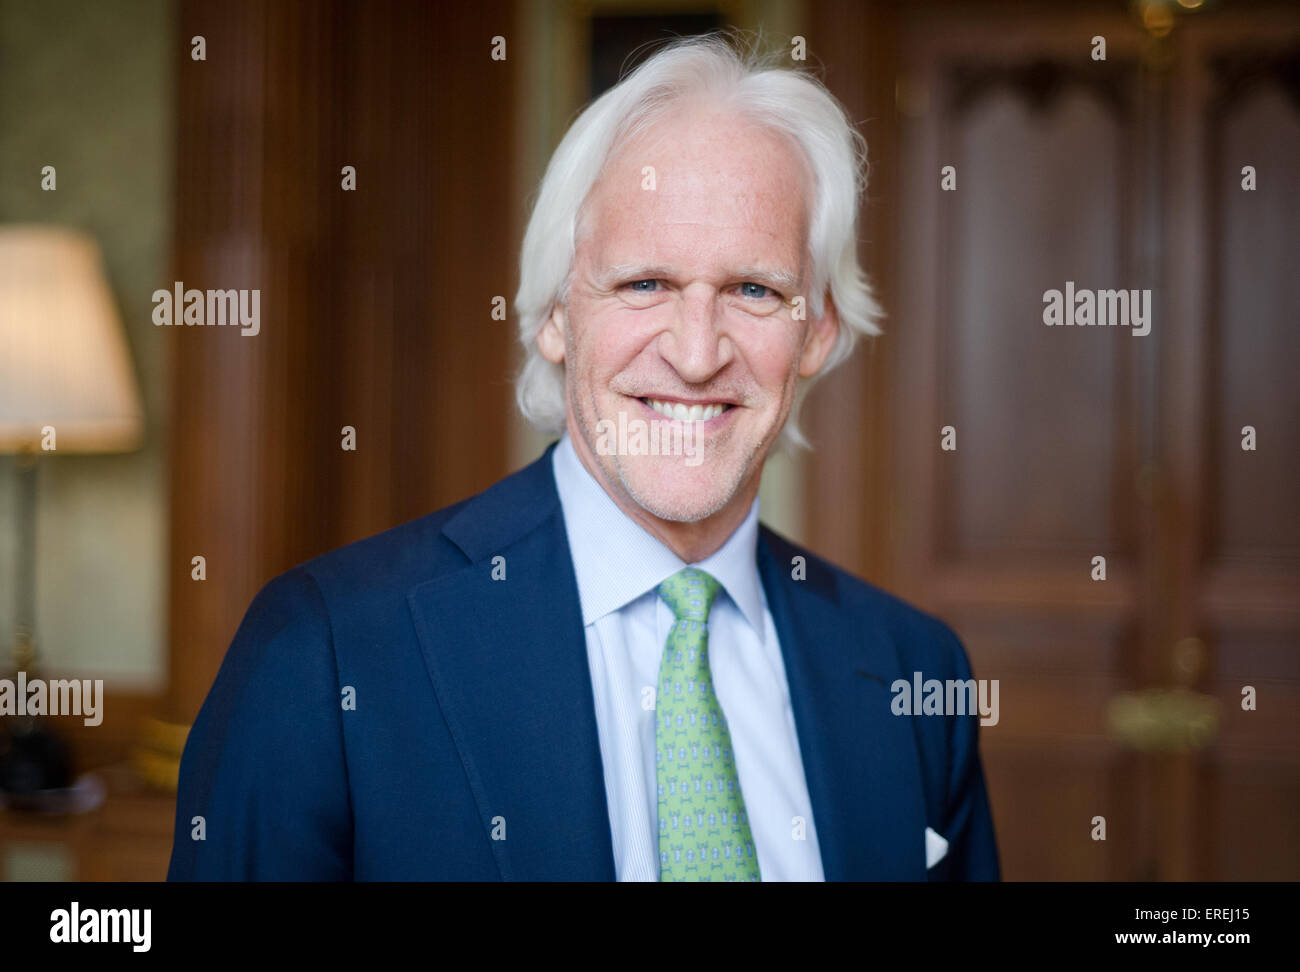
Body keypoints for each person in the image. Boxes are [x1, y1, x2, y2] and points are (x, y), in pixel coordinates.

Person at [168, 33, 999, 881]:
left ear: (817, 329)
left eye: (754, 290)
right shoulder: (323, 651)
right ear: (555, 315)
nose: (698, 352)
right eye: (645, 284)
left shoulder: (914, 670)